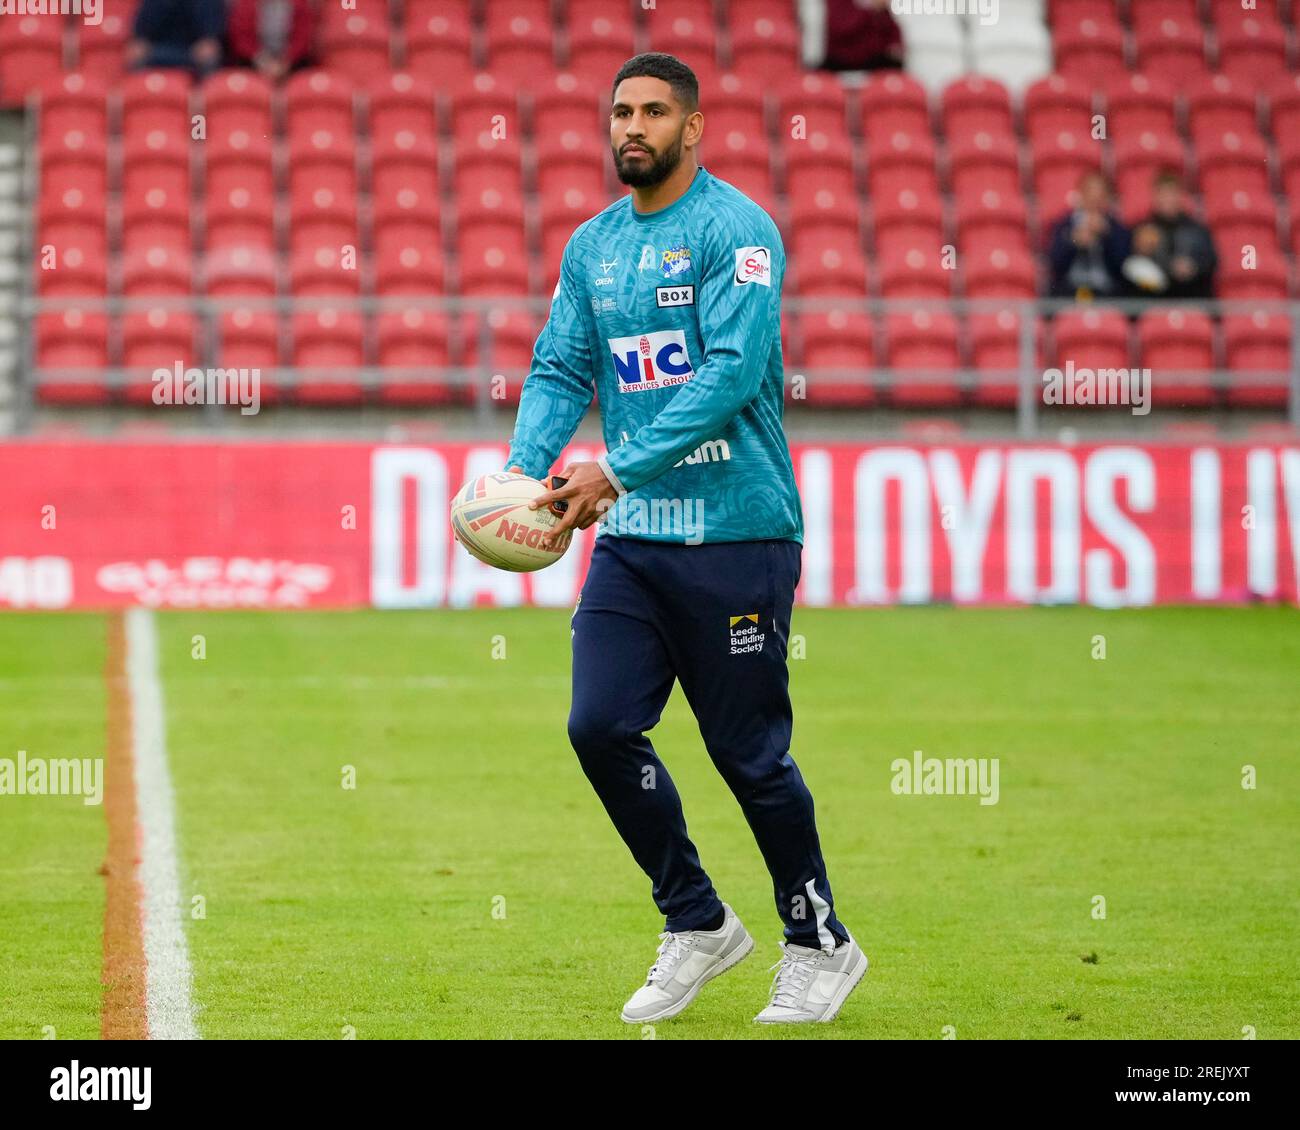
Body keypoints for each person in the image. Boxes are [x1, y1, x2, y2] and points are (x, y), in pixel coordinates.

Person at [498, 53, 867, 1025]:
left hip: (738, 531)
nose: (633, 127)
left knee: (746, 753)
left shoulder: (735, 233)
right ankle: (696, 919)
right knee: (599, 726)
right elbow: (560, 364)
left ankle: (817, 937)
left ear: (692, 128)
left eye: (654, 112)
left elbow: (731, 374)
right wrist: (520, 475)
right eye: (621, 111)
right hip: (636, 542)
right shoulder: (593, 247)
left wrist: (613, 468)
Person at [1123, 171, 1218, 300]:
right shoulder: (1141, 229)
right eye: (1163, 194)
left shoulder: (1197, 229)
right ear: (1155, 197)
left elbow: (1211, 260)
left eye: (1171, 194)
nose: (1167, 199)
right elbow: (1129, 266)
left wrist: (1193, 267)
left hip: (1192, 296)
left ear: (1180, 196)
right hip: (1154, 300)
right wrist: (1141, 253)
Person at [1046, 170, 1132, 300]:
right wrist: (1074, 241)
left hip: (1106, 293)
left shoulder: (1117, 229)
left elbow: (1124, 266)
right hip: (1070, 291)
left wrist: (1107, 235)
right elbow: (1055, 264)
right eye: (1090, 195)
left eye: (1100, 196)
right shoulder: (1063, 225)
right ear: (1081, 195)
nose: (1094, 201)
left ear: (1107, 199)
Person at [127, 0, 225, 77]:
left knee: (209, 54)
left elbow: (210, 35)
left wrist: (207, 43)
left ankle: (204, 99)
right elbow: (141, 33)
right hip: (157, 49)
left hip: (192, 52)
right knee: (136, 52)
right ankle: (136, 95)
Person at [226, 0, 318, 81]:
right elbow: (242, 37)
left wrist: (286, 61)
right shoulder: (246, 4)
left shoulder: (300, 4)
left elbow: (302, 37)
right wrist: (263, 61)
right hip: (254, 61)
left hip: (291, 62)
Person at [801, 0, 904, 71]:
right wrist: (872, 8)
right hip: (841, 60)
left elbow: (891, 29)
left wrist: (895, 46)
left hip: (873, 59)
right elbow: (840, 27)